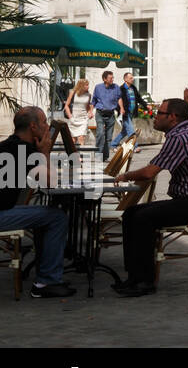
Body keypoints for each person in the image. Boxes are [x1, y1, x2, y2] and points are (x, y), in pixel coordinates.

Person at [113, 96, 188, 296]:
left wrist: (125, 175)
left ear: (173, 117)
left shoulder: (179, 138)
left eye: (159, 113)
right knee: (131, 214)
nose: (154, 116)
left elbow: (149, 173)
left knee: (143, 218)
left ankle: (145, 282)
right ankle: (134, 277)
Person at [0, 107, 76, 297]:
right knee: (57, 217)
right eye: (44, 122)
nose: (46, 127)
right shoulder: (25, 151)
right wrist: (44, 153)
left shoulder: (8, 145)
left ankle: (47, 269)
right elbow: (49, 183)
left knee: (46, 213)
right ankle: (47, 281)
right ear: (33, 127)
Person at [91, 70, 125, 161]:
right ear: (104, 79)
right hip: (100, 113)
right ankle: (98, 156)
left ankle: (105, 156)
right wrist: (90, 111)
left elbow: (119, 98)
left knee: (108, 137)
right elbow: (93, 101)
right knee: (100, 134)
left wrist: (121, 108)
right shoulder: (98, 87)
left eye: (112, 77)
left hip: (110, 114)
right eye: (110, 78)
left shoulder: (116, 87)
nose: (112, 79)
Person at [109, 72, 141, 151]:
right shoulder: (121, 89)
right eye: (130, 78)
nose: (132, 79)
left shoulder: (133, 88)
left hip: (131, 113)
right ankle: (135, 146)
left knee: (124, 131)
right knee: (131, 129)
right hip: (124, 113)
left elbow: (139, 98)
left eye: (132, 77)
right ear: (125, 79)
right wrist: (120, 110)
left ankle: (113, 144)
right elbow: (117, 101)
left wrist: (146, 105)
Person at [62, 78, 92, 146]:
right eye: (86, 85)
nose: (88, 86)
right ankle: (74, 155)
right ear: (81, 85)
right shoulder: (73, 93)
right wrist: (70, 117)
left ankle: (81, 155)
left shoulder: (89, 95)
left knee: (81, 138)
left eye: (88, 85)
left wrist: (90, 112)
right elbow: (66, 105)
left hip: (83, 119)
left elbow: (87, 106)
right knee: (73, 139)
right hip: (74, 118)